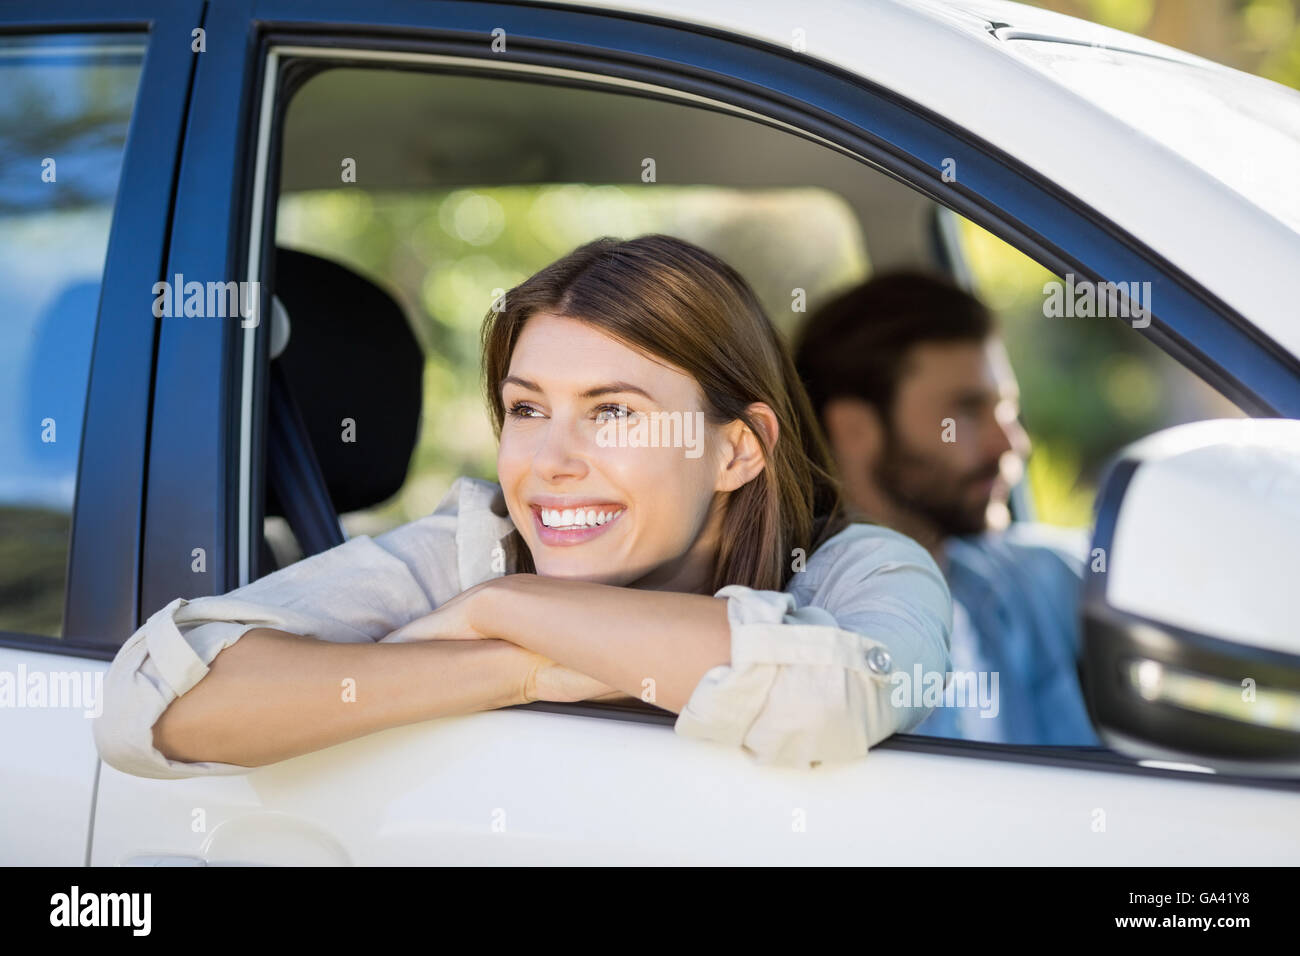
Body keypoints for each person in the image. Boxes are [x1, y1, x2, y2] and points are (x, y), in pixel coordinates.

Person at [93, 235, 953, 779]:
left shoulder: (865, 568)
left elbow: (832, 691)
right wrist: (520, 665)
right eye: (528, 409)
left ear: (736, 448)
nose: (550, 463)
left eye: (613, 411)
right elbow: (154, 705)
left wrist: (508, 609)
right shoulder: (472, 551)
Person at [793, 270, 1100, 746]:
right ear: (854, 428)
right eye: (967, 411)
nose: (1013, 442)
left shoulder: (1032, 578)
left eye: (1008, 410)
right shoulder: (802, 631)